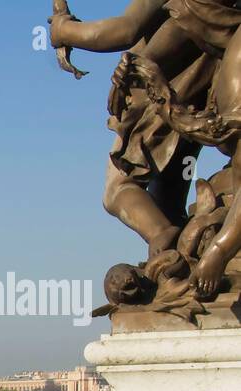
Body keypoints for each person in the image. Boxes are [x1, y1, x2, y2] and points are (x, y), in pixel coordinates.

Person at [52, 1, 241, 254]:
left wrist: (62, 30)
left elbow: (124, 30)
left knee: (118, 188)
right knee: (168, 193)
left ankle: (165, 238)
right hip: (204, 95)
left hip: (163, 95)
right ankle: (183, 253)